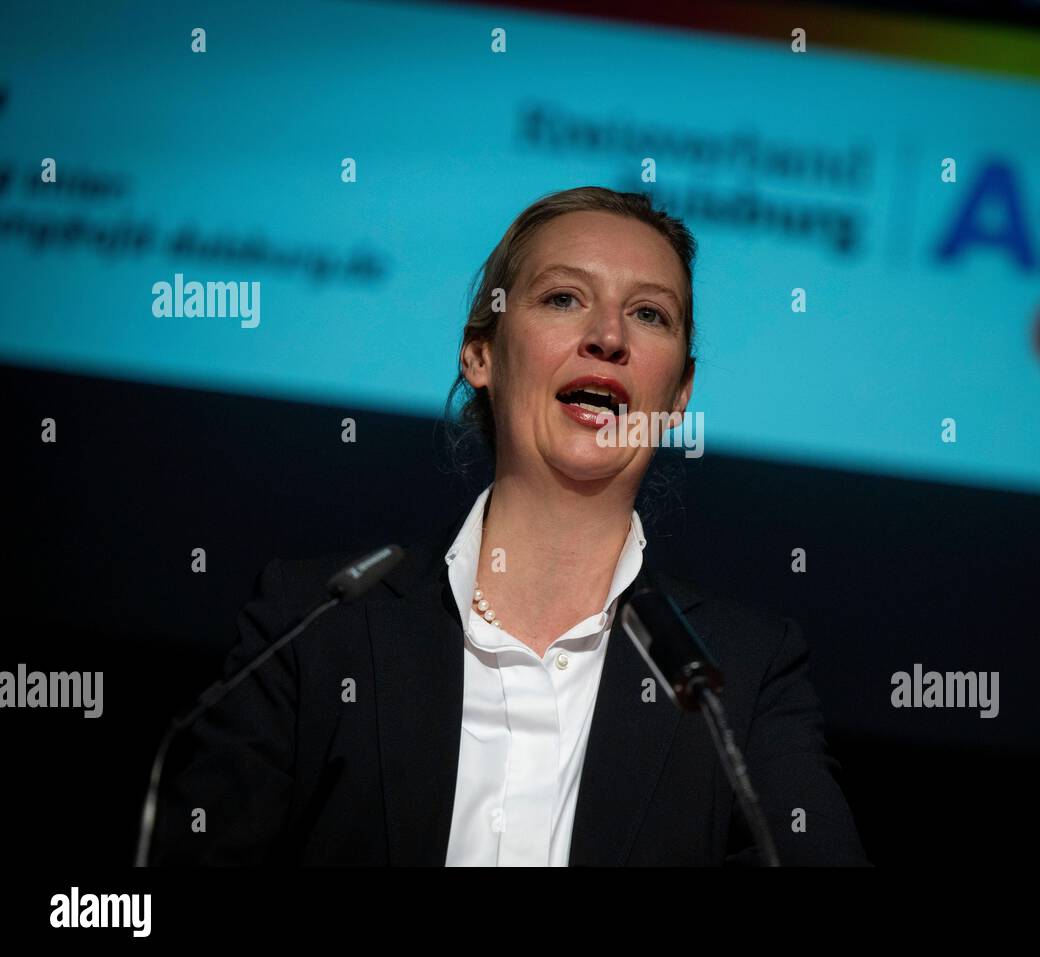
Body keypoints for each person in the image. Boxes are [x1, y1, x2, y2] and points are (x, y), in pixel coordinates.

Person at [152, 186, 868, 866]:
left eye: (650, 314)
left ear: (679, 394)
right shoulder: (315, 623)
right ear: (481, 354)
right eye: (563, 298)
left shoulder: (740, 675)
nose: (609, 335)